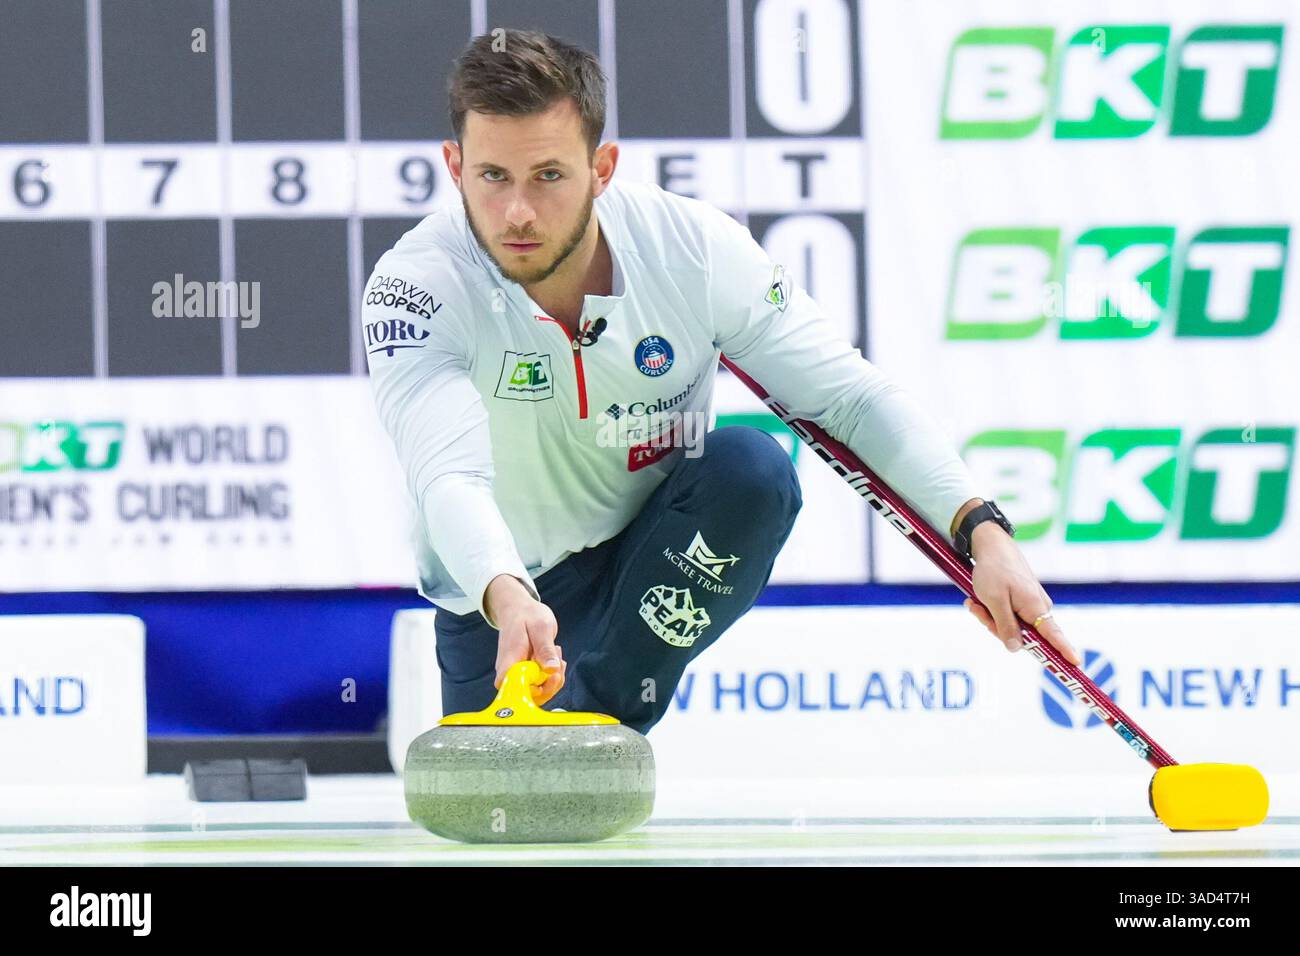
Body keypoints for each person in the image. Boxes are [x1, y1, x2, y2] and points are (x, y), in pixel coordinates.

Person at [362, 29, 1080, 734]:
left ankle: (599, 716)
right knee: (506, 836)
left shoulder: (693, 251)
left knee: (752, 472)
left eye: (549, 175)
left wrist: (983, 531)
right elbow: (446, 476)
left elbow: (850, 398)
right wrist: (507, 593)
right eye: (494, 177)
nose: (518, 211)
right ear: (454, 167)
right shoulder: (416, 287)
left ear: (602, 167)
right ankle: (567, 723)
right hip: (500, 599)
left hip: (653, 553)